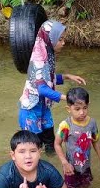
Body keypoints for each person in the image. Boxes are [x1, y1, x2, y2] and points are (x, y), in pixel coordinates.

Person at [18, 19, 86, 151]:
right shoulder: (39, 60)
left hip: (42, 107)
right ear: (50, 39)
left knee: (50, 143)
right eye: (60, 39)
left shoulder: (46, 53)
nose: (63, 43)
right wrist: (68, 98)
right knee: (34, 149)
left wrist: (67, 76)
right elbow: (42, 88)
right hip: (31, 111)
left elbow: (47, 79)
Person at [54, 87, 100, 188]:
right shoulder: (66, 125)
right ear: (69, 109)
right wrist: (64, 163)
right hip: (70, 167)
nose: (82, 112)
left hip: (86, 165)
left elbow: (95, 141)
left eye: (85, 108)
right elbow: (57, 144)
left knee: (86, 186)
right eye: (77, 109)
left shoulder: (92, 123)